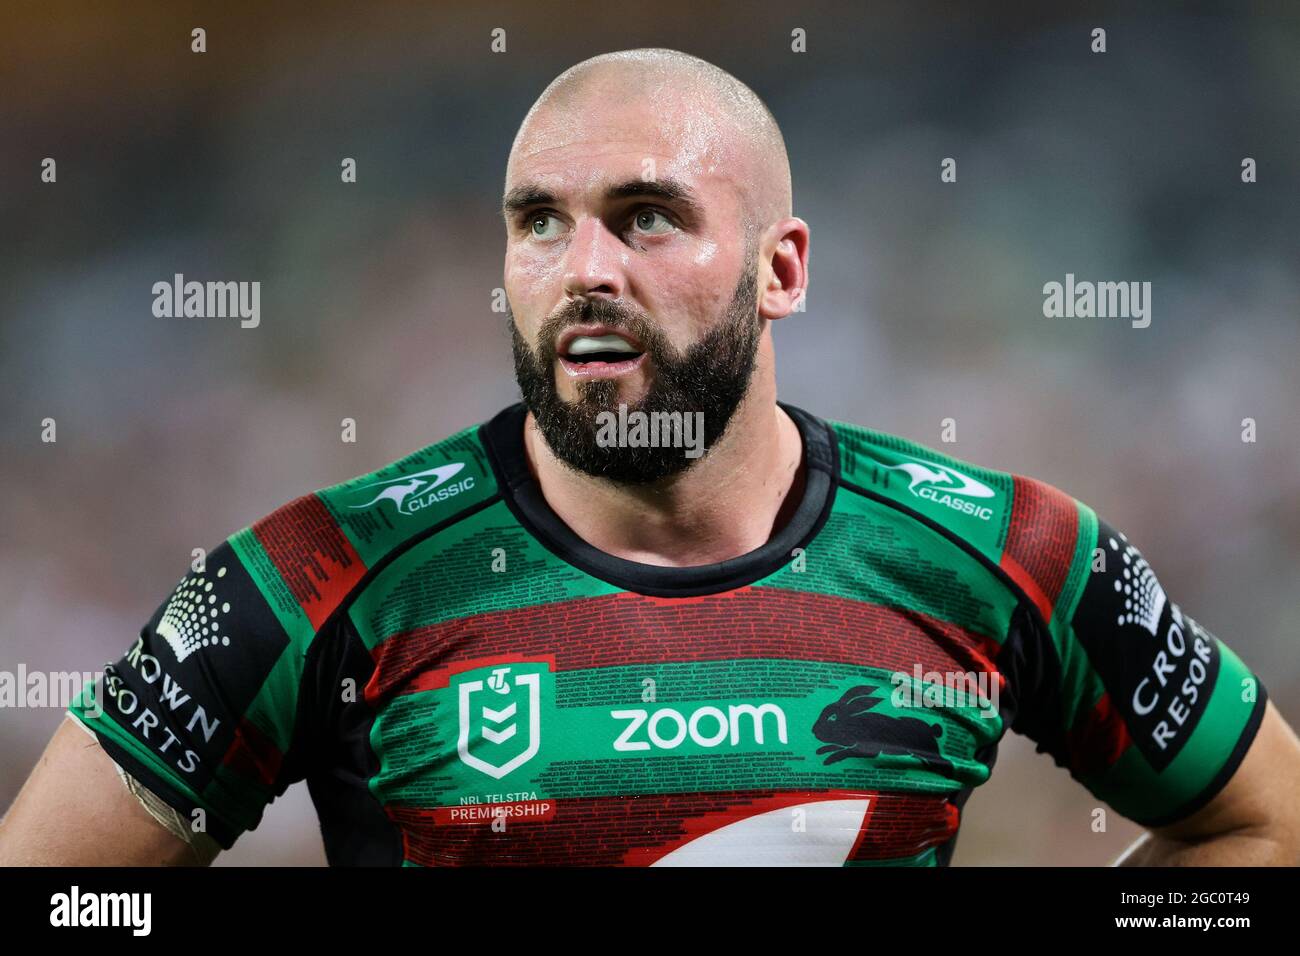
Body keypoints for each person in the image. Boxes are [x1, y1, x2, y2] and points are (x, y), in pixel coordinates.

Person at [2, 48, 1297, 867]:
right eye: (539, 225)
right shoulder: (308, 579)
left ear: (782, 270)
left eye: (645, 217)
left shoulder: (1009, 553)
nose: (585, 272)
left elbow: (1264, 827)